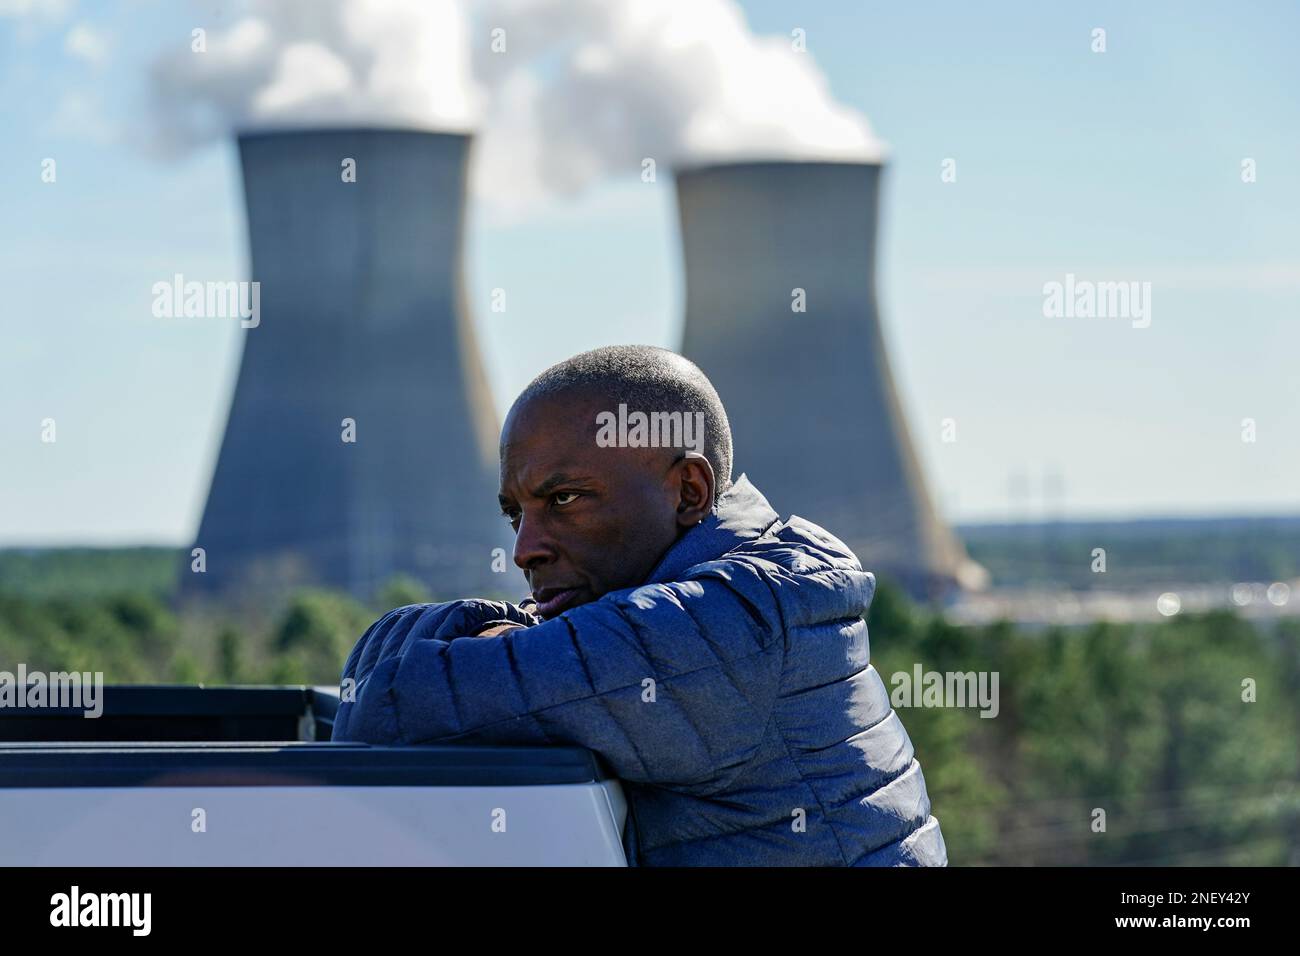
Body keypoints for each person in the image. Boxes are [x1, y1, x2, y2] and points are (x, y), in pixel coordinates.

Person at [332, 345, 947, 866]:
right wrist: (504, 634)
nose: (524, 550)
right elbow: (377, 677)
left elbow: (385, 709)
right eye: (517, 514)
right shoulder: (753, 590)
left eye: (566, 499)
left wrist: (503, 645)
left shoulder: (725, 629)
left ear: (688, 490)